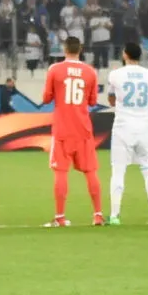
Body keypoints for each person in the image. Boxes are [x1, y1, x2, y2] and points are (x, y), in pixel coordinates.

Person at [39, 34, 104, 227]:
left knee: (60, 172)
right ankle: (98, 215)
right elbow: (92, 101)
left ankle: (60, 218)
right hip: (83, 129)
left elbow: (46, 98)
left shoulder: (55, 69)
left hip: (62, 130)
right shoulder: (90, 71)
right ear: (80, 49)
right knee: (91, 171)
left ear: (64, 49)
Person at [105, 42, 148, 224]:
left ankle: (114, 216)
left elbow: (112, 99)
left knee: (118, 171)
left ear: (125, 54)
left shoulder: (115, 75)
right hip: (145, 127)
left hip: (123, 127)